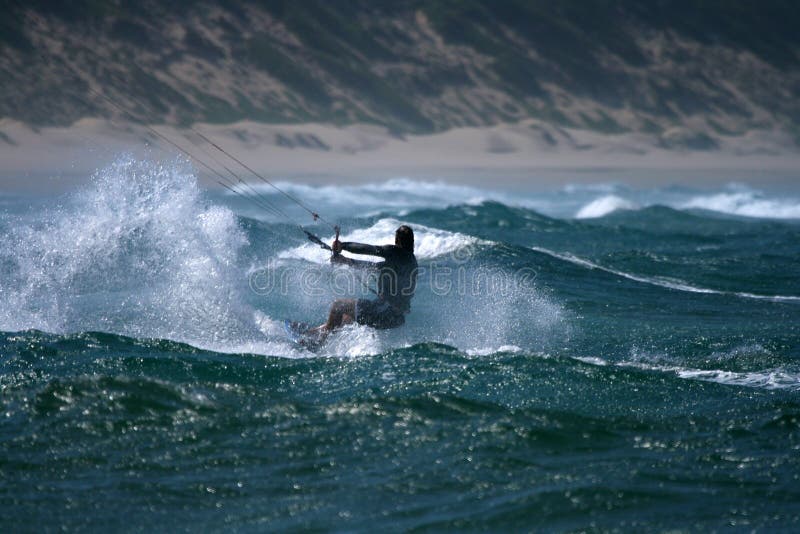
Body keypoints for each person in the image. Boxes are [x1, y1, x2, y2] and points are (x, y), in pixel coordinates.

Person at [308, 225, 417, 340]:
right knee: (346, 318)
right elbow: (373, 267)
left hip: (383, 312)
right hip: (395, 318)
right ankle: (315, 332)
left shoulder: (395, 252)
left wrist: (343, 245)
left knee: (338, 306)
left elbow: (369, 249)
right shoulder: (411, 261)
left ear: (397, 240)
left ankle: (318, 342)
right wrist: (346, 261)